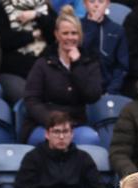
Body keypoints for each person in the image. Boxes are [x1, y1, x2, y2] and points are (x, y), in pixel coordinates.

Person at [23, 5, 102, 145]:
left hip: (76, 124)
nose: (70, 37)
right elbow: (31, 99)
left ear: (80, 35)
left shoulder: (89, 62)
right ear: (56, 34)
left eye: (74, 33)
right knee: (43, 140)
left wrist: (77, 65)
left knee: (90, 138)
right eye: (65, 33)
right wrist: (53, 121)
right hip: (45, 124)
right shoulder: (43, 62)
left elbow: (92, 95)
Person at [0, 0, 55, 104]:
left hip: (43, 65)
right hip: (14, 69)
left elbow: (55, 35)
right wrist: (33, 35)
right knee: (26, 97)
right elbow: (5, 41)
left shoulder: (43, 6)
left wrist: (37, 15)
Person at [81, 0, 128, 96]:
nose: (96, 5)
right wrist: (92, 24)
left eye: (101, 1)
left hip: (108, 88)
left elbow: (121, 66)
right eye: (92, 1)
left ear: (107, 4)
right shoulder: (76, 27)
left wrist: (111, 90)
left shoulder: (117, 30)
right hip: (81, 86)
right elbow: (81, 51)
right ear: (84, 4)